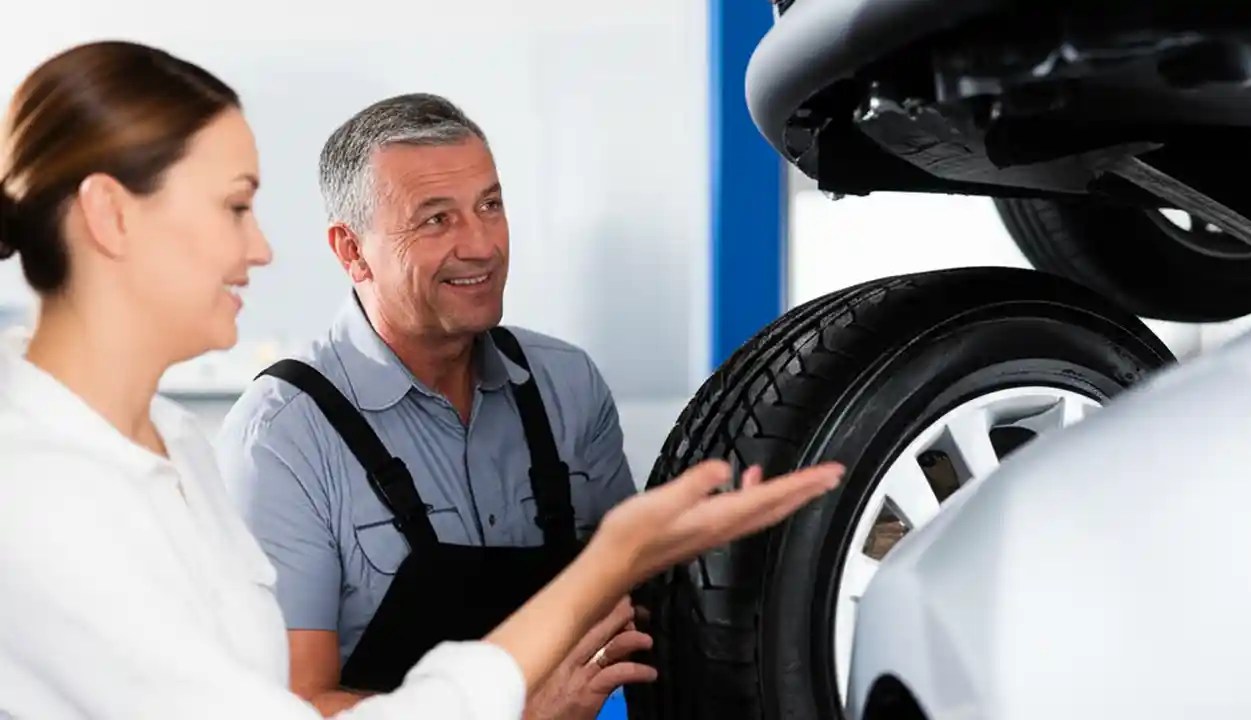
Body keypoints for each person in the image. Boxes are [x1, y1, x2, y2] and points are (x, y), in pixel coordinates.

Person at [0, 39, 845, 720]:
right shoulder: (56, 491)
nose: (259, 249)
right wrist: (588, 598)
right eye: (234, 206)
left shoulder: (173, 447)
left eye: (491, 205)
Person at [214, 94, 648, 717]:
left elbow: (634, 608)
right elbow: (292, 706)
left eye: (490, 207)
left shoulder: (566, 386)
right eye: (436, 220)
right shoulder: (281, 438)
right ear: (351, 251)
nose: (481, 246)